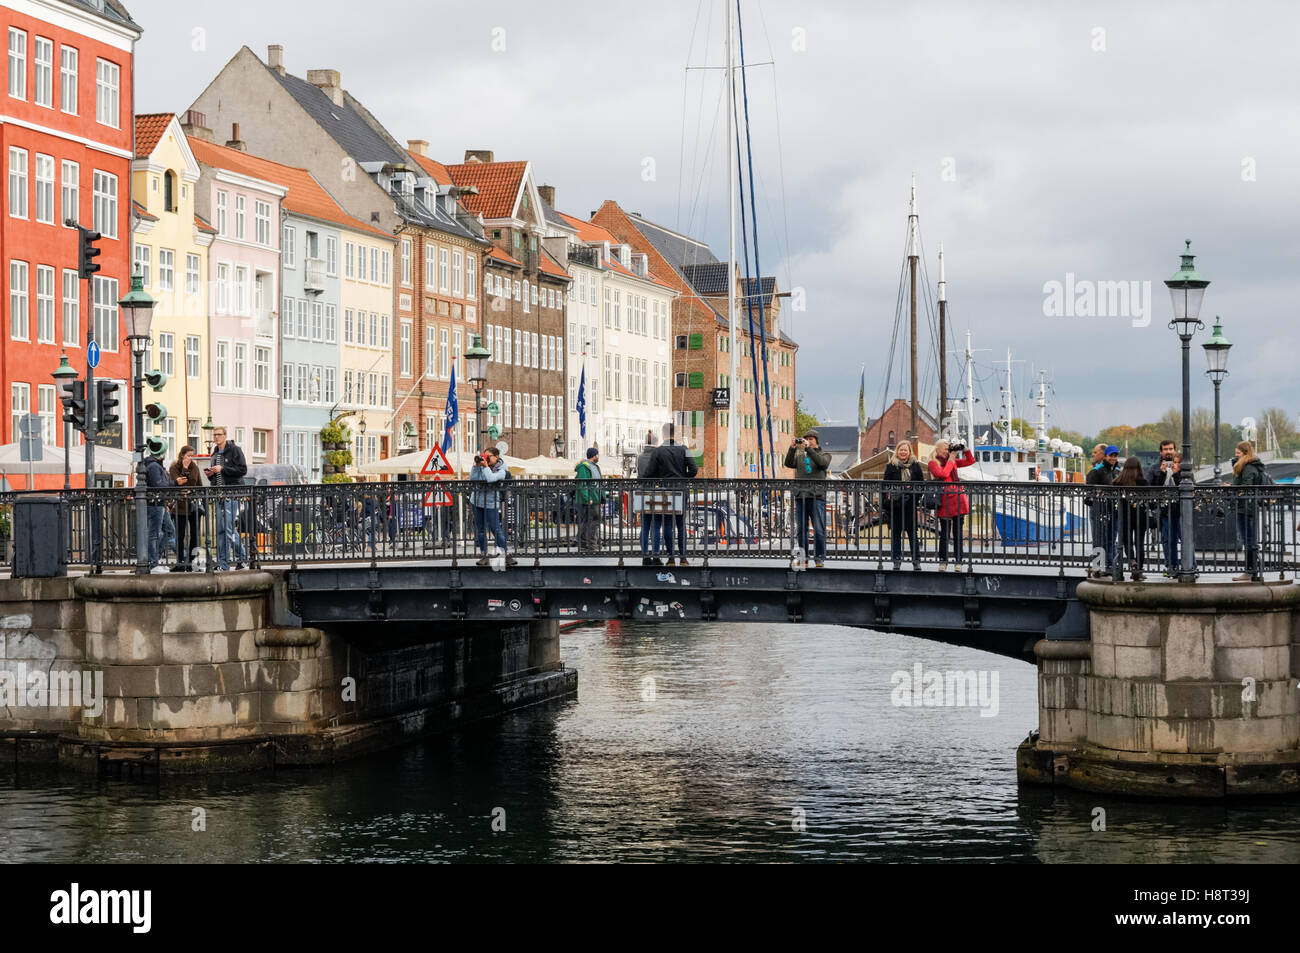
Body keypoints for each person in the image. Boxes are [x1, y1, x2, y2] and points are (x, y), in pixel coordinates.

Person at [642, 422, 698, 566]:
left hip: (665, 491)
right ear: (675, 433)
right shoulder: (683, 448)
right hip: (681, 490)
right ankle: (683, 557)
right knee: (681, 524)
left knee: (667, 524)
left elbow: (649, 473)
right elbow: (693, 470)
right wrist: (682, 478)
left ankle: (671, 557)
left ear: (663, 434)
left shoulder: (658, 451)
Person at [783, 427, 832, 568]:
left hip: (817, 496)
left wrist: (809, 449)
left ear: (816, 441)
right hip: (800, 496)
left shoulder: (825, 454)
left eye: (811, 439)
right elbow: (788, 463)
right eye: (806, 439)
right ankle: (803, 558)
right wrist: (792, 448)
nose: (808, 441)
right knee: (801, 529)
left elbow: (822, 463)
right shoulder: (800, 456)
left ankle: (819, 558)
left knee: (819, 529)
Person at [203, 425, 248, 571]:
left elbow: (242, 470)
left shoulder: (235, 450)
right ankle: (229, 562)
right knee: (222, 530)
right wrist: (211, 475)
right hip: (219, 495)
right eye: (214, 435)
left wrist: (223, 469)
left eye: (219, 434)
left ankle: (235, 560)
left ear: (225, 435)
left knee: (228, 530)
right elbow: (216, 478)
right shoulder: (214, 453)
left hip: (232, 493)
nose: (216, 437)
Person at [928, 439, 975, 571]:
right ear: (937, 449)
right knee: (944, 535)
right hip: (945, 502)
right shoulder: (933, 463)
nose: (947, 451)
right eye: (944, 448)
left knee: (958, 534)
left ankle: (958, 562)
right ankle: (943, 562)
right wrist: (952, 458)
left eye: (948, 448)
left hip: (958, 501)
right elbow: (943, 474)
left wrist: (965, 449)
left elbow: (970, 461)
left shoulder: (952, 461)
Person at [1145, 440, 1190, 576]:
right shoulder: (1154, 468)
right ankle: (1171, 566)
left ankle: (1190, 567)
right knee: (1168, 539)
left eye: (1171, 449)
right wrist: (1162, 473)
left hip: (1182, 509)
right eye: (1165, 449)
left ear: (1175, 450)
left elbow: (1188, 485)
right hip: (1165, 509)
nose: (1168, 451)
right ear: (1161, 452)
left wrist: (1176, 473)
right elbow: (1150, 487)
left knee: (1186, 538)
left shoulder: (1184, 466)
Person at [470, 447, 515, 566]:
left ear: (496, 456)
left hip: (491, 502)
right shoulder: (481, 465)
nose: (486, 458)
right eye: (485, 456)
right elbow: (473, 479)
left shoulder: (502, 469)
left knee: (495, 529)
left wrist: (485, 467)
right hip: (476, 500)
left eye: (489, 456)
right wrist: (475, 466)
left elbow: (490, 479)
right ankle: (484, 555)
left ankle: (506, 554)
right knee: (480, 530)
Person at [883, 440, 924, 571]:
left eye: (905, 450)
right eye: (901, 449)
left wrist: (914, 498)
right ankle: (896, 560)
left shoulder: (915, 466)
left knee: (912, 534)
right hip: (895, 506)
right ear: (897, 451)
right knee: (896, 534)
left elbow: (921, 484)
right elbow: (885, 485)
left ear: (909, 452)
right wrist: (888, 502)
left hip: (910, 505)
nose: (903, 452)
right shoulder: (891, 465)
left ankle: (916, 561)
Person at [1231, 440, 1268, 581]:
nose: (1236, 456)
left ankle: (1250, 571)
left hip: (1246, 507)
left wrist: (1234, 489)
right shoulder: (1249, 466)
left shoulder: (1248, 468)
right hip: (1246, 507)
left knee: (1249, 540)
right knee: (1249, 539)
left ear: (1245, 453)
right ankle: (1251, 570)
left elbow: (1246, 486)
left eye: (1238, 453)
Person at [1085, 443, 1120, 578]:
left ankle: (1110, 565)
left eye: (1115, 456)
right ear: (1105, 456)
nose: (1113, 458)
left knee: (1111, 538)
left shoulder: (1117, 470)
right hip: (1099, 508)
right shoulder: (1097, 470)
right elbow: (1090, 488)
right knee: (1099, 538)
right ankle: (1098, 566)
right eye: (1111, 455)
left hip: (1113, 508)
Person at [1114, 455, 1149, 581]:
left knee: (1127, 542)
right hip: (1140, 516)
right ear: (1139, 468)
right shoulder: (1143, 482)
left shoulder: (1118, 482)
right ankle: (1139, 571)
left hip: (1124, 516)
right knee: (1139, 542)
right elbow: (1148, 500)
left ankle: (1132, 561)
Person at [169, 445, 204, 571]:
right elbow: (179, 483)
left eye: (192, 455)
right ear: (182, 455)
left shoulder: (195, 467)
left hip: (193, 505)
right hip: (180, 506)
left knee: (195, 535)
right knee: (180, 535)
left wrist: (202, 502)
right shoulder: (174, 468)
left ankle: (191, 562)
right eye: (188, 455)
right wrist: (184, 468)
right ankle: (180, 562)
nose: (190, 458)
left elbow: (197, 483)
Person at [144, 436, 174, 572]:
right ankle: (153, 563)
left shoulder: (154, 464)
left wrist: (176, 483)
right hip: (154, 503)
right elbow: (158, 485)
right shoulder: (154, 466)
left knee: (169, 530)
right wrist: (173, 483)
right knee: (154, 533)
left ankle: (156, 558)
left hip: (160, 503)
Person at [635, 431, 664, 565]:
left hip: (642, 493)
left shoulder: (639, 457)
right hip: (656, 492)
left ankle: (645, 555)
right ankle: (656, 555)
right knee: (656, 526)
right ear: (656, 442)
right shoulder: (658, 455)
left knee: (645, 525)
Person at [574, 447, 605, 553]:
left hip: (595, 498)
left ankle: (584, 543)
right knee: (593, 521)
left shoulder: (595, 467)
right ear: (594, 455)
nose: (598, 456)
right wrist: (588, 499)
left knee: (588, 521)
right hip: (590, 499)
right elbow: (582, 484)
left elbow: (600, 483)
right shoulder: (584, 467)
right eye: (597, 454)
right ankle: (591, 544)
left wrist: (602, 499)